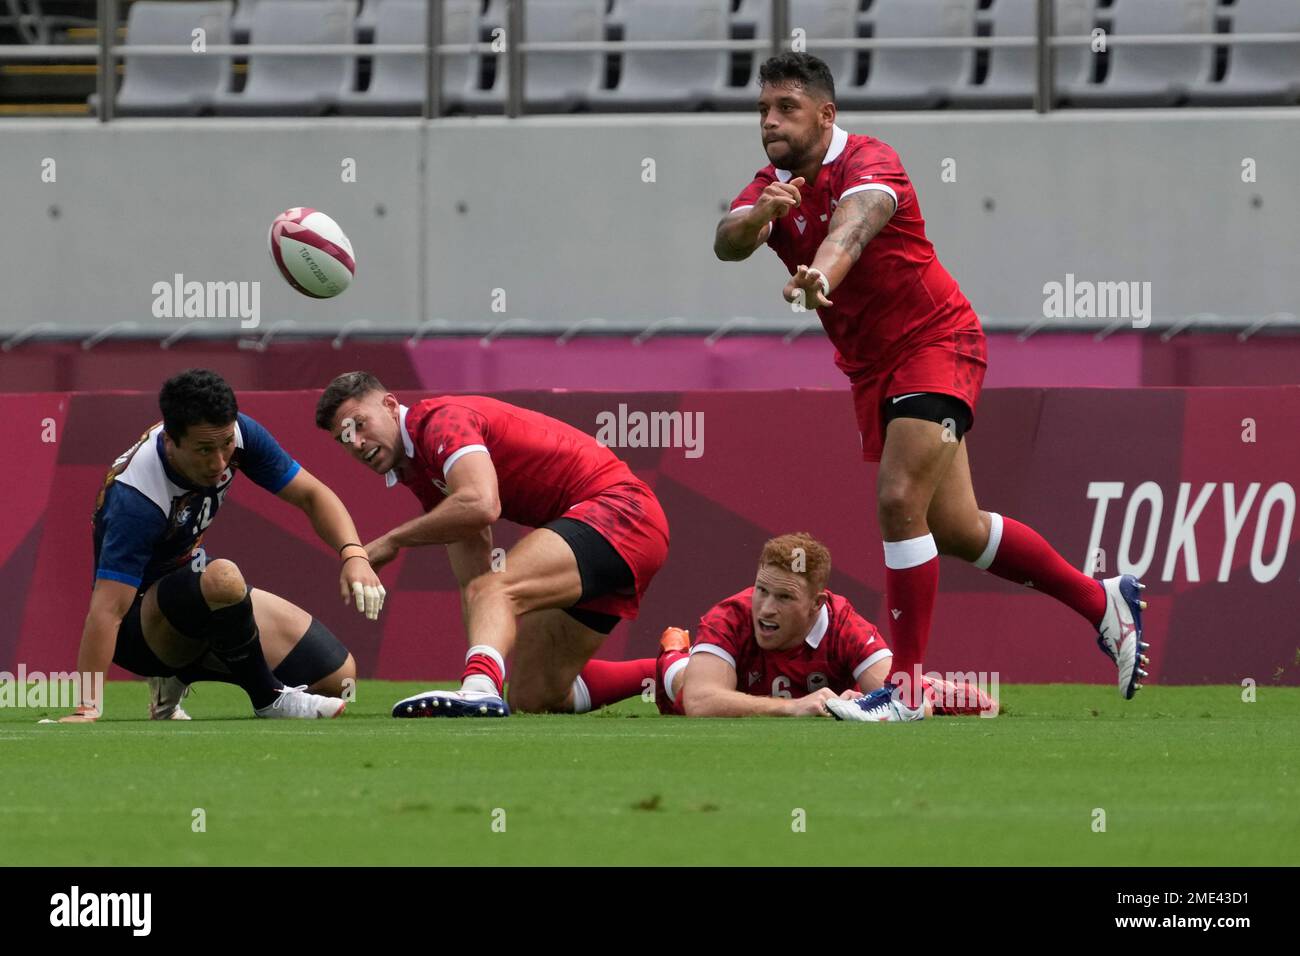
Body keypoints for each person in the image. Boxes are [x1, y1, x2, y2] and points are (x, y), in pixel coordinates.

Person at [713, 53, 1148, 716]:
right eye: (763, 110)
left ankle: (907, 689)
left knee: (897, 499)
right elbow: (727, 242)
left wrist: (821, 275)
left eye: (786, 109)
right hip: (873, 368)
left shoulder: (871, 164)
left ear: (826, 115)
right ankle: (1102, 599)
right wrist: (755, 218)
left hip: (936, 344)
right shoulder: (771, 183)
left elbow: (851, 230)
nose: (770, 121)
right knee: (957, 528)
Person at [315, 371, 670, 718]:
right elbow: (473, 577)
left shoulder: (440, 421)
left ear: (391, 405)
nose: (356, 443)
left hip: (622, 512)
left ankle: (479, 689)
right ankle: (669, 672)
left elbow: (481, 504)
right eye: (344, 439)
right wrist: (478, 661)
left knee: (494, 588)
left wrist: (392, 541)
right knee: (535, 695)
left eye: (359, 424)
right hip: (618, 536)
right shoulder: (419, 471)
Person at [61, 368, 382, 723]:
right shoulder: (136, 497)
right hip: (140, 631)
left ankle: (181, 676)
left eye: (225, 444)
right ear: (171, 440)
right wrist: (86, 707)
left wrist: (354, 553)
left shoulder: (238, 433)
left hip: (194, 592)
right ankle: (268, 697)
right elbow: (107, 611)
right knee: (223, 578)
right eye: (203, 450)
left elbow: (311, 495)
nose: (219, 462)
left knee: (339, 679)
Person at [652, 533, 996, 720]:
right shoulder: (729, 617)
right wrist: (794, 706)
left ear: (817, 604)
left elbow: (910, 705)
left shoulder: (845, 625)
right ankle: (676, 651)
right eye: (761, 590)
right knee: (679, 679)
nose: (766, 608)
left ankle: (931, 682)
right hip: (712, 682)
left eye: (785, 598)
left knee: (962, 699)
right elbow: (700, 703)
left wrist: (864, 702)